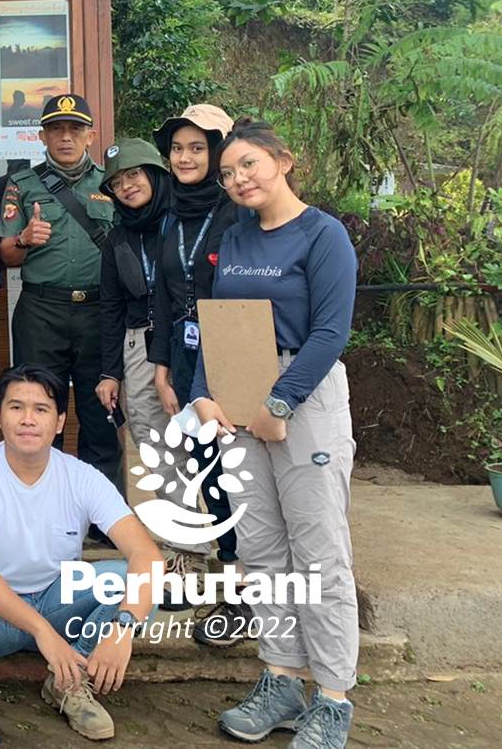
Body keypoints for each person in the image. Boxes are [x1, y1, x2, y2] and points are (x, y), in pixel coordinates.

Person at [191, 120, 359, 749]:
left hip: (302, 394)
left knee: (319, 551)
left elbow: (330, 333)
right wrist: (204, 391)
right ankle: (282, 679)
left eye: (249, 165)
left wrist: (281, 401)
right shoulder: (234, 239)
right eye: (228, 173)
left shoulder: (323, 234)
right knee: (261, 549)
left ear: (284, 160)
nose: (238, 179)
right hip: (237, 396)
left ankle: (333, 697)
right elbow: (219, 323)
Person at [0, 367, 162, 745]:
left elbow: (147, 556)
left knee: (134, 580)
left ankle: (69, 681)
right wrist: (42, 632)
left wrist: (123, 629)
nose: (28, 419)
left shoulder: (82, 476)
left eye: (41, 409)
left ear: (60, 421)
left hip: (61, 604)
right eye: (16, 407)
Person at [147, 103, 248, 640]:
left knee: (236, 471)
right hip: (187, 357)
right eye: (178, 148)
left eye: (198, 148)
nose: (185, 158)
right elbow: (164, 295)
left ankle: (240, 592)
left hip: (233, 354)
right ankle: (204, 569)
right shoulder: (172, 213)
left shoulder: (239, 211)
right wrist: (162, 367)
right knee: (202, 467)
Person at [93, 139, 208, 575]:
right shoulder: (117, 237)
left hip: (193, 337)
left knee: (214, 442)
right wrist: (110, 372)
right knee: (156, 446)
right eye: (117, 182)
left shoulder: (186, 219)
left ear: (155, 175)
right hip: (138, 342)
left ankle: (240, 544)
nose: (127, 186)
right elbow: (110, 307)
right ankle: (186, 547)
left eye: (134, 175)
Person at [0, 93, 121, 494]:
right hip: (41, 312)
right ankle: (42, 503)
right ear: (42, 136)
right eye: (56, 129)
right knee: (38, 409)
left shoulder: (111, 183)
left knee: (99, 412)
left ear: (91, 135)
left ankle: (100, 512)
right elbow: (5, 254)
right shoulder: (23, 184)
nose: (65, 138)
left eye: (75, 129)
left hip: (98, 312)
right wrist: (25, 239)